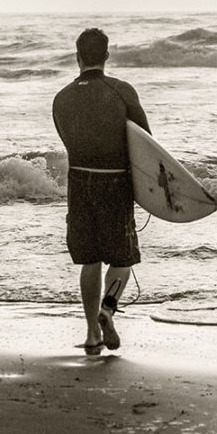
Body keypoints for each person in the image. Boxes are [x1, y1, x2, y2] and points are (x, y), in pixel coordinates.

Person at [52, 28, 151, 355]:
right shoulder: (121, 91)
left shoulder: (62, 98)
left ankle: (93, 334)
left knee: (89, 260)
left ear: (77, 56)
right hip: (114, 182)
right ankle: (107, 309)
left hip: (78, 183)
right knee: (124, 258)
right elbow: (146, 142)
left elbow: (71, 142)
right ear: (107, 56)